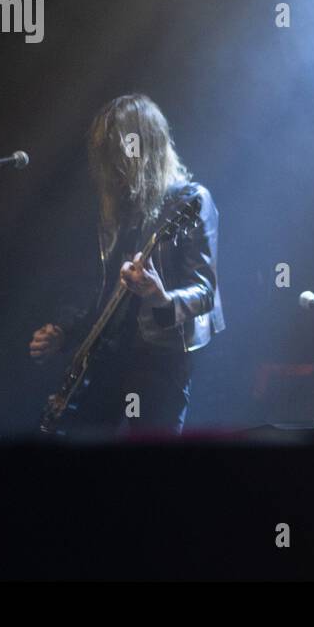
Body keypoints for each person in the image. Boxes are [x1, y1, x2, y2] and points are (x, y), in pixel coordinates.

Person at [30, 94, 223, 434]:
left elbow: (205, 291)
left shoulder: (190, 200)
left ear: (144, 148)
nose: (112, 167)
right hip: (108, 356)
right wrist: (64, 331)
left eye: (117, 154)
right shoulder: (118, 211)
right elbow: (102, 295)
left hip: (159, 360)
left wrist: (160, 296)